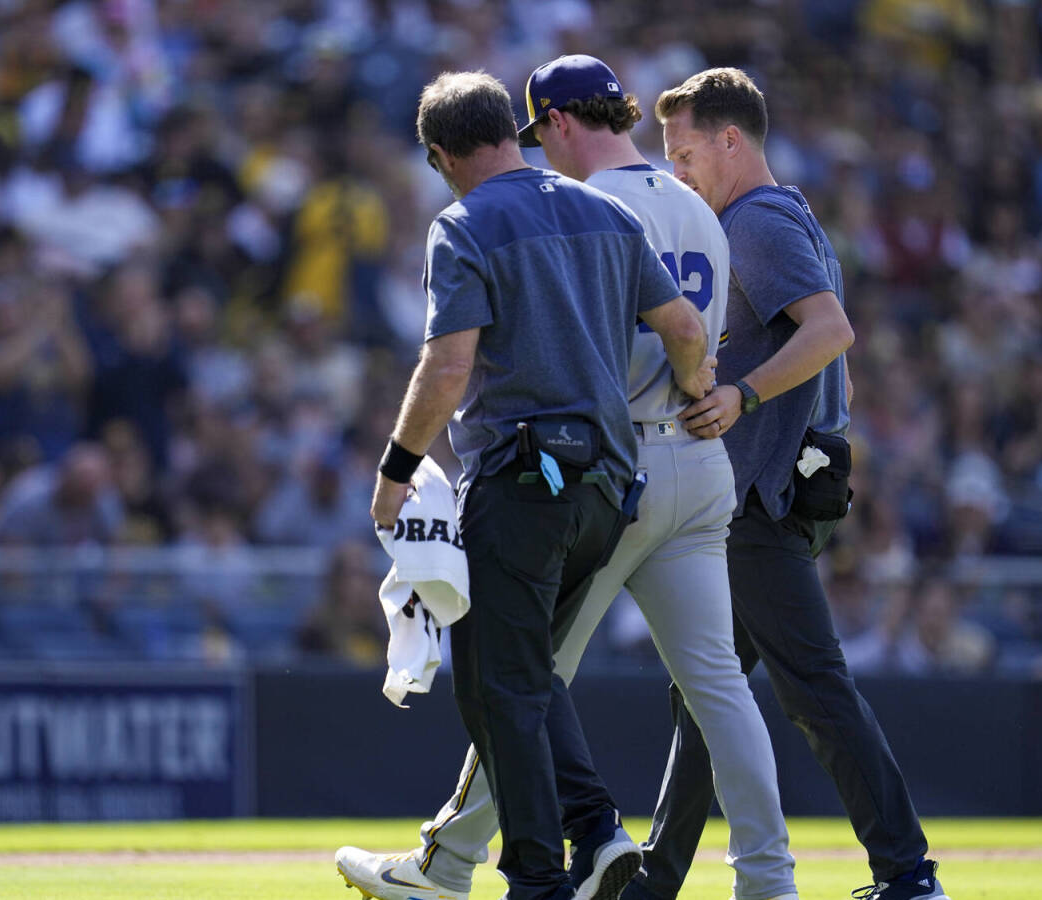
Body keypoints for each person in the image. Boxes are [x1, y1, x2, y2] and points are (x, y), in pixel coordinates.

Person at [336, 55, 796, 900]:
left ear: (551, 123)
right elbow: (693, 329)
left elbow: (472, 361)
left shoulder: (564, 206)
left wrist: (403, 466)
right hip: (699, 452)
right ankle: (768, 881)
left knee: (516, 676)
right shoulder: (694, 205)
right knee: (717, 690)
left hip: (591, 461)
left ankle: (507, 857)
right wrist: (708, 391)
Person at [620, 68, 948, 900]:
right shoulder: (773, 213)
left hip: (755, 505)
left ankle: (907, 872)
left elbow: (832, 330)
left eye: (686, 151)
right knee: (704, 701)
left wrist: (743, 391)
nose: (679, 171)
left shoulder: (755, 220)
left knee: (813, 691)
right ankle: (656, 880)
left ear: (732, 140)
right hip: (771, 493)